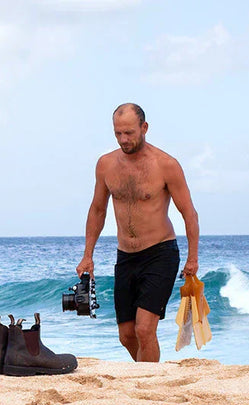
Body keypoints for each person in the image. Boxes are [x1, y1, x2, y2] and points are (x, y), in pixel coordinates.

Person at [76, 103, 200, 363]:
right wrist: (88, 255)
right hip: (126, 256)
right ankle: (146, 372)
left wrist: (192, 259)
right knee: (127, 336)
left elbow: (189, 213)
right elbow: (98, 210)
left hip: (160, 253)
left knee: (145, 329)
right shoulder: (106, 165)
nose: (124, 139)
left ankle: (150, 381)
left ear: (144, 128)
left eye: (129, 133)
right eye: (118, 133)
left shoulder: (166, 165)